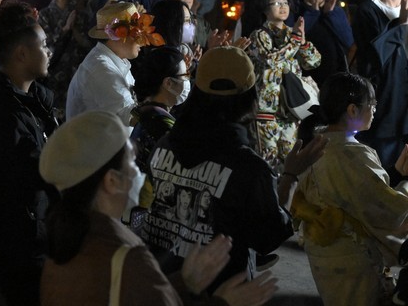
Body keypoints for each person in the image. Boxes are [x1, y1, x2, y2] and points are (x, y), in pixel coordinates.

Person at [39, 110, 278, 306]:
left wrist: (186, 283)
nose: (137, 171)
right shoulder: (127, 256)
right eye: (131, 162)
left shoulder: (65, 240)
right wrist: (223, 303)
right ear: (112, 181)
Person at [141, 46, 328, 291]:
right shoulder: (247, 167)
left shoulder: (163, 146)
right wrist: (291, 176)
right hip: (220, 294)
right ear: (250, 97)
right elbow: (268, 237)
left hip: (159, 285)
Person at [0, 1, 58, 305]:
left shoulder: (27, 98)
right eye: (44, 45)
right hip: (17, 241)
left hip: (31, 232)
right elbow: (26, 172)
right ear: (21, 53)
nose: (49, 52)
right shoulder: (0, 110)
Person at [293, 72, 408, 306]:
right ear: (352, 110)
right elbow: (388, 210)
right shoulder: (351, 154)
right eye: (371, 103)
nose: (375, 109)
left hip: (325, 255)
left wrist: (395, 173)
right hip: (354, 259)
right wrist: (406, 182)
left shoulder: (316, 143)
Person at [247, 0, 321, 166]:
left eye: (285, 3)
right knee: (267, 161)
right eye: (277, 3)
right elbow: (271, 60)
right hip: (267, 110)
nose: (283, 7)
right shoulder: (259, 35)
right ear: (265, 9)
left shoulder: (292, 33)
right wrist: (295, 40)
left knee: (290, 160)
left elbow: (314, 61)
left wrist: (302, 43)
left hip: (290, 109)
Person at [352, 0, 408, 177]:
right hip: (386, 111)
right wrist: (401, 23)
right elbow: (373, 60)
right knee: (385, 175)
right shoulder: (367, 11)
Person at [67, 2, 147, 124]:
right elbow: (130, 115)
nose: (142, 42)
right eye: (137, 35)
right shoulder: (101, 68)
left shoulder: (116, 60)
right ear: (119, 36)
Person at [129, 46, 187, 208]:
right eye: (185, 76)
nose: (187, 81)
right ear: (168, 83)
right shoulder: (160, 123)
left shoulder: (146, 112)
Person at [38, 0, 92, 118]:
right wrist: (65, 28)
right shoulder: (45, 15)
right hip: (54, 76)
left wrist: (75, 31)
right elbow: (45, 46)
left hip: (77, 74)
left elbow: (88, 45)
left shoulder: (82, 16)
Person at [293, 0, 353, 86]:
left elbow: (348, 41)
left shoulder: (334, 11)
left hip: (334, 77)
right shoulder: (295, 10)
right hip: (304, 79)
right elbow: (294, 39)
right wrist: (313, 12)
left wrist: (330, 14)